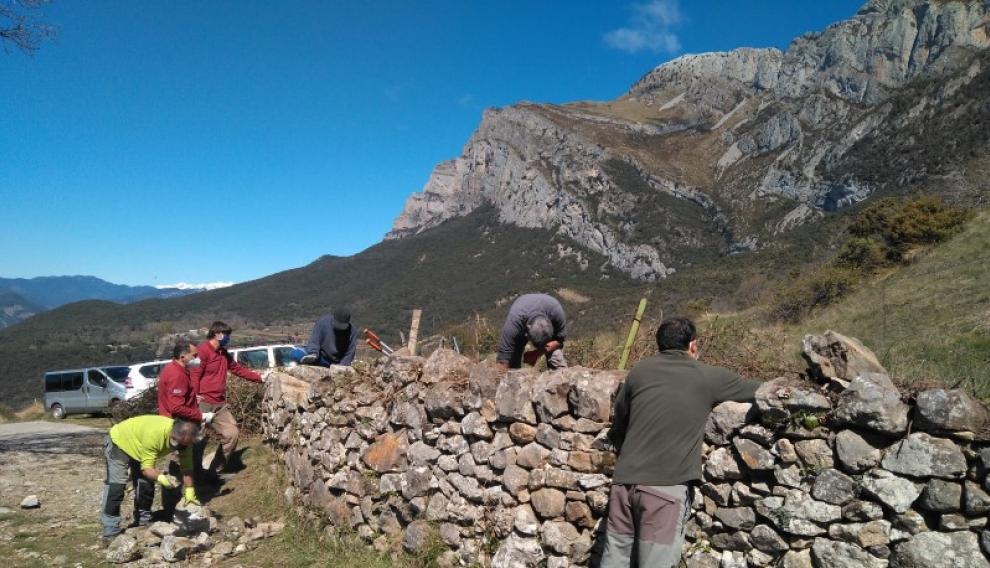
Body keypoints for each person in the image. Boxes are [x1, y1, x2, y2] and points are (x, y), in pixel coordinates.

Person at [598, 317, 761, 568]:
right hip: (665, 489)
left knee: (614, 560)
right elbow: (759, 390)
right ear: (693, 346)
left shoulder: (639, 371)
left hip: (623, 485)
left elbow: (620, 421)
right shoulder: (706, 376)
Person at [100, 415, 200, 539]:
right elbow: (147, 469)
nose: (181, 448)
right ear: (172, 435)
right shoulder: (155, 434)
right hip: (120, 441)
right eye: (178, 444)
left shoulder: (185, 441)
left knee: (145, 484)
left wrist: (190, 490)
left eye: (184, 446)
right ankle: (111, 530)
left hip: (140, 444)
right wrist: (161, 478)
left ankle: (143, 520)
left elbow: (187, 468)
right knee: (116, 486)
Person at [190, 321, 266, 476]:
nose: (228, 339)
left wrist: (260, 378)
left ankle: (215, 471)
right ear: (218, 334)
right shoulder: (202, 351)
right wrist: (194, 398)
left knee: (232, 434)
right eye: (227, 335)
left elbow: (238, 369)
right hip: (202, 403)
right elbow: (194, 374)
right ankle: (195, 474)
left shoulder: (223, 354)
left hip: (219, 403)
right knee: (198, 440)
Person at [495, 293, 567, 370]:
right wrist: (500, 379)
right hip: (521, 318)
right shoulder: (514, 323)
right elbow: (503, 358)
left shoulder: (556, 313)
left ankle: (563, 376)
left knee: (555, 353)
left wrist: (537, 353)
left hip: (545, 314)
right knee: (513, 359)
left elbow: (559, 341)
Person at [158, 339, 214, 425]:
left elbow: (176, 397)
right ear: (183, 357)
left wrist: (192, 399)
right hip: (178, 425)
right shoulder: (177, 375)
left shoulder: (172, 368)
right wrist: (201, 416)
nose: (197, 359)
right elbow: (176, 408)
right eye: (194, 356)